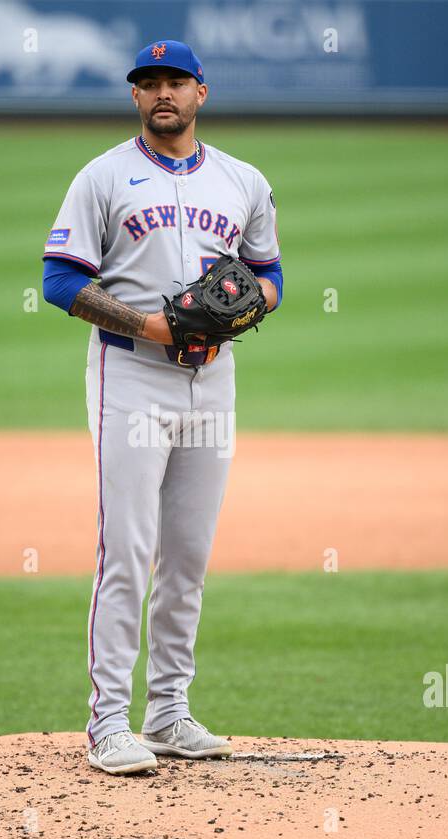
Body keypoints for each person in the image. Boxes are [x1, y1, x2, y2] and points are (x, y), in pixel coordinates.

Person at [41, 40, 283, 775]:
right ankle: (108, 724)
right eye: (147, 84)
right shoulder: (103, 177)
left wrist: (242, 310)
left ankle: (170, 712)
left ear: (201, 92)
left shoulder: (244, 181)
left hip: (213, 381)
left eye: (175, 80)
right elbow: (59, 280)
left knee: (188, 556)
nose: (161, 93)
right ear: (136, 97)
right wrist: (150, 325)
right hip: (133, 378)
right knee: (128, 555)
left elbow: (270, 277)